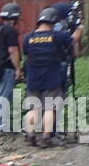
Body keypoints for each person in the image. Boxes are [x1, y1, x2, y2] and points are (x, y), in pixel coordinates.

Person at [20, 8, 73, 148]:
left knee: (33, 109)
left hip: (33, 78)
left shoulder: (28, 38)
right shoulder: (59, 36)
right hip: (52, 78)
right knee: (50, 109)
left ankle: (31, 136)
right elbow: (72, 45)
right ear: (54, 21)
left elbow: (25, 53)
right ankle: (45, 138)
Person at [0, 3, 22, 125]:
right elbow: (12, 50)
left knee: (0, 94)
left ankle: (1, 123)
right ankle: (0, 124)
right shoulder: (10, 30)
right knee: (5, 96)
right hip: (7, 68)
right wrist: (18, 68)